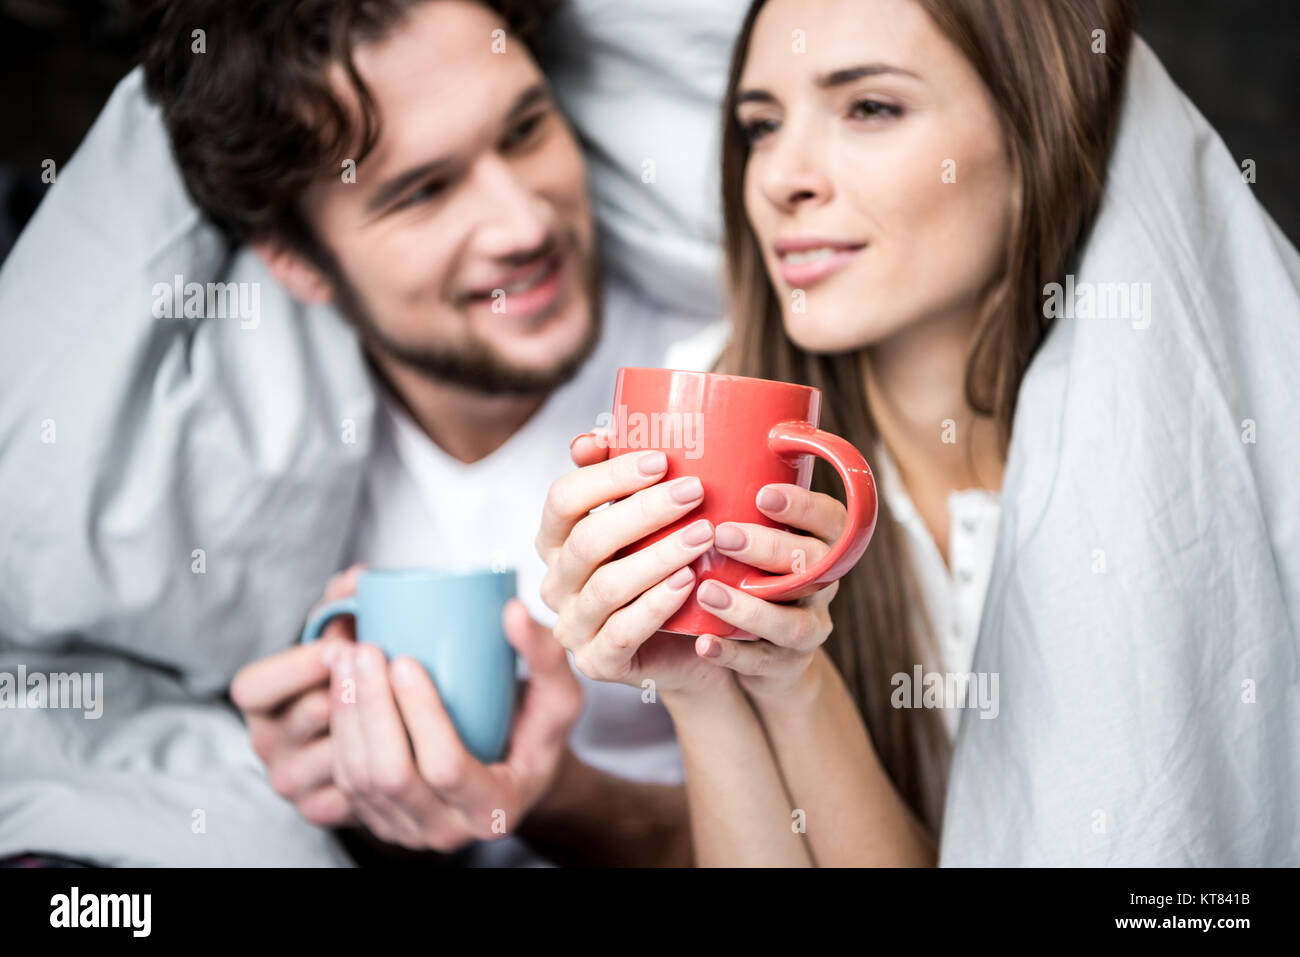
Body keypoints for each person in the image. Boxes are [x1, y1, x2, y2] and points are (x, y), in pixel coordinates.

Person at [537, 0, 1300, 865]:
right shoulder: (732, 447)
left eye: (870, 107)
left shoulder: (1192, 487)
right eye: (760, 125)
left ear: (1038, 136)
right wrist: (706, 684)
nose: (782, 176)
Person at [0, 0, 740, 866]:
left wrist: (553, 798)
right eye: (423, 191)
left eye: (526, 129)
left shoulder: (720, 378)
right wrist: (318, 790)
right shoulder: (253, 490)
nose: (523, 225)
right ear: (296, 261)